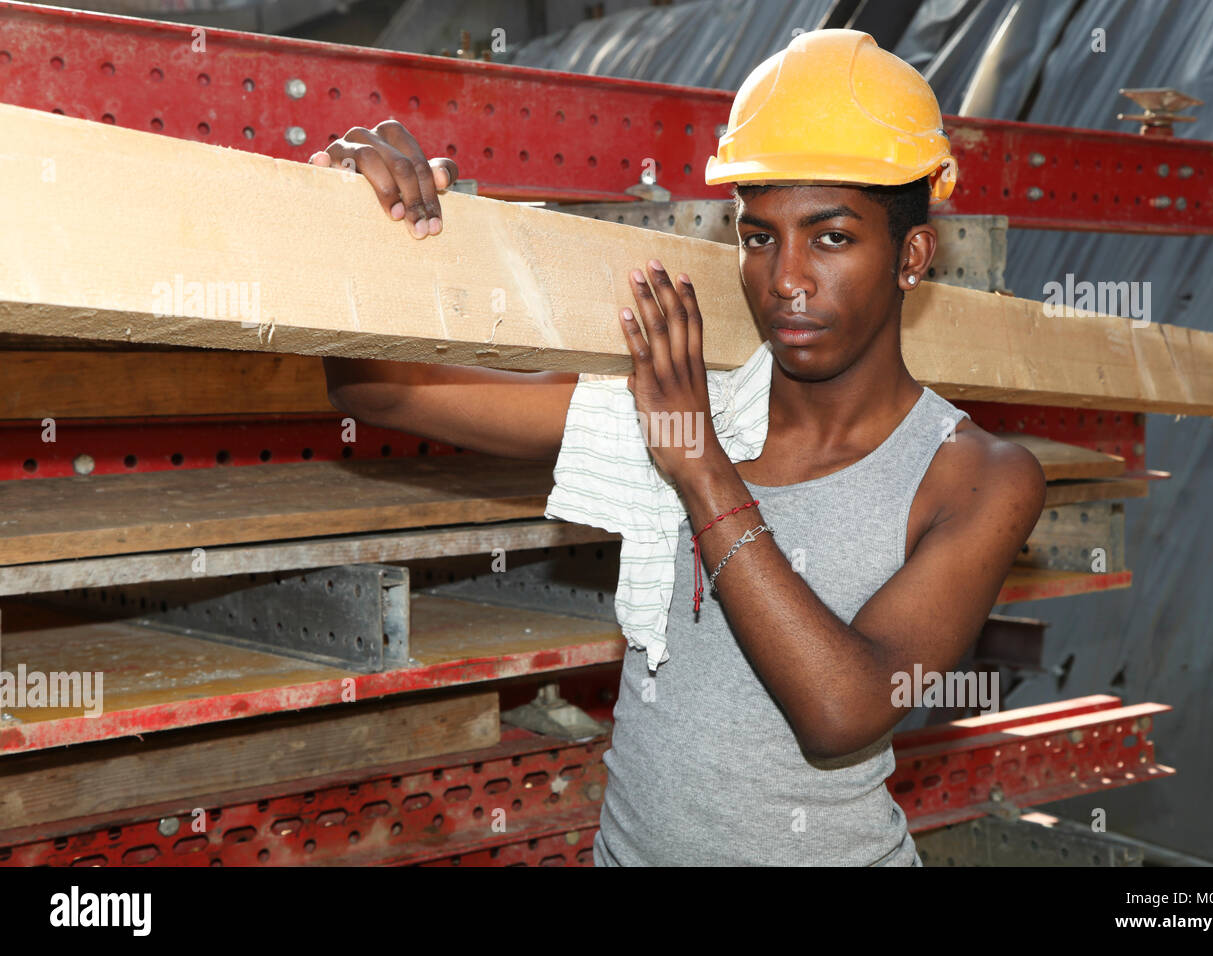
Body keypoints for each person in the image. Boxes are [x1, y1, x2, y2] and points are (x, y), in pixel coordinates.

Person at [315, 29, 1045, 866]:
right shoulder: (701, 402)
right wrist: (355, 226)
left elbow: (843, 709)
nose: (787, 280)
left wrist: (697, 462)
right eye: (760, 236)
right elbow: (374, 391)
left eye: (832, 237)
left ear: (911, 254)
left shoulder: (976, 476)